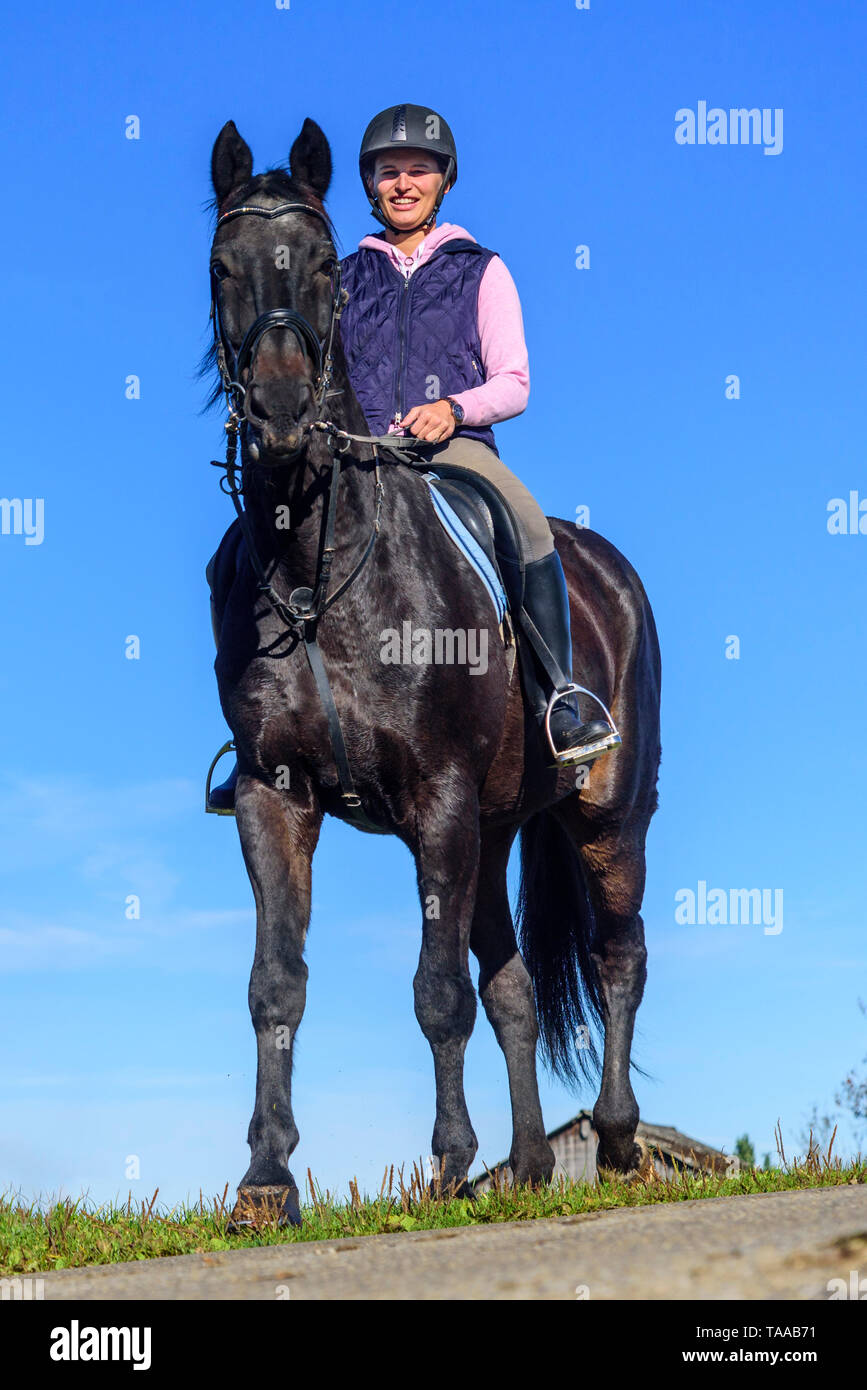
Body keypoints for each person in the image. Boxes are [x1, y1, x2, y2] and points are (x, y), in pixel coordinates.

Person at [206, 104, 617, 812]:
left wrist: (453, 409)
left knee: (523, 521)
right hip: (361, 453)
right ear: (367, 185)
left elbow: (513, 381)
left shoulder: (479, 270)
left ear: (444, 182)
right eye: (387, 172)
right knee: (230, 555)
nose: (402, 184)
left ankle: (560, 696)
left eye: (417, 171)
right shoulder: (345, 271)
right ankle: (252, 735)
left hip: (452, 447)